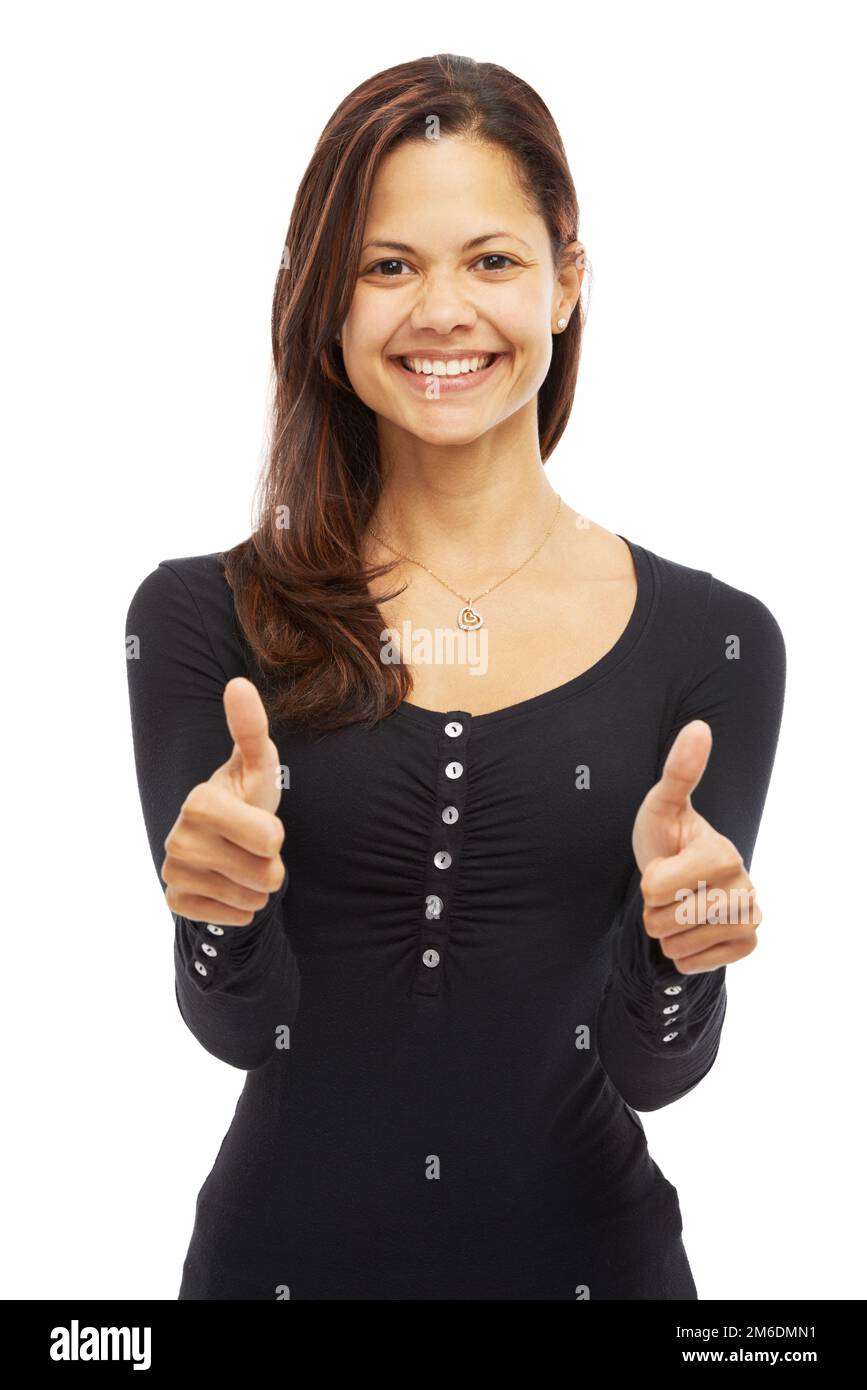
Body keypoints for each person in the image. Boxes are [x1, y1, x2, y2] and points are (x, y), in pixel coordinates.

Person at [125, 54, 786, 1300]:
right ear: (328, 302)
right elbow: (238, 1029)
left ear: (566, 280)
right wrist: (218, 917)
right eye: (388, 265)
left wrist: (681, 955)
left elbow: (656, 1072)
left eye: (491, 260)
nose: (442, 312)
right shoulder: (203, 618)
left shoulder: (716, 644)